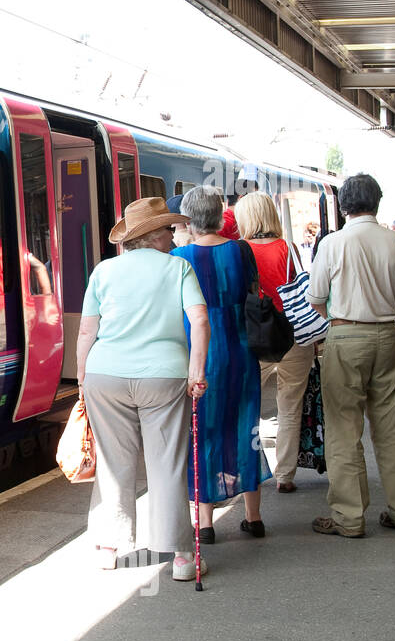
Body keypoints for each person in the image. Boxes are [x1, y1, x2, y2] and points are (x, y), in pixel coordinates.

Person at [76, 197, 209, 581]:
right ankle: (182, 557)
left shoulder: (103, 271)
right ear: (152, 235)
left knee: (115, 463)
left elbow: (88, 331)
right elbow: (199, 320)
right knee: (167, 463)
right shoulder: (179, 268)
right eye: (167, 228)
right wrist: (196, 372)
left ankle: (107, 546)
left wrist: (83, 380)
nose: (172, 233)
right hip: (164, 377)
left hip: (106, 376)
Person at [306, 173, 395, 537]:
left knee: (343, 429)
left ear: (343, 207)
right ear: (377, 203)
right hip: (388, 338)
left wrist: (342, 321)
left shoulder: (332, 243)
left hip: (345, 337)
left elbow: (316, 298)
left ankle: (350, 518)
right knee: (393, 430)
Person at [173, 186, 272, 539]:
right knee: (247, 426)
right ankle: (254, 517)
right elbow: (253, 291)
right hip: (241, 349)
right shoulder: (240, 250)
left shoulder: (179, 256)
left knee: (203, 430)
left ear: (188, 218)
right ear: (219, 215)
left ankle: (205, 524)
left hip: (200, 353)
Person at [237, 192, 315, 496]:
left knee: (246, 409)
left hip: (254, 340)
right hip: (292, 336)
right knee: (290, 408)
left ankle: (246, 473)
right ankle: (285, 475)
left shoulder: (240, 251)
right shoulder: (290, 249)